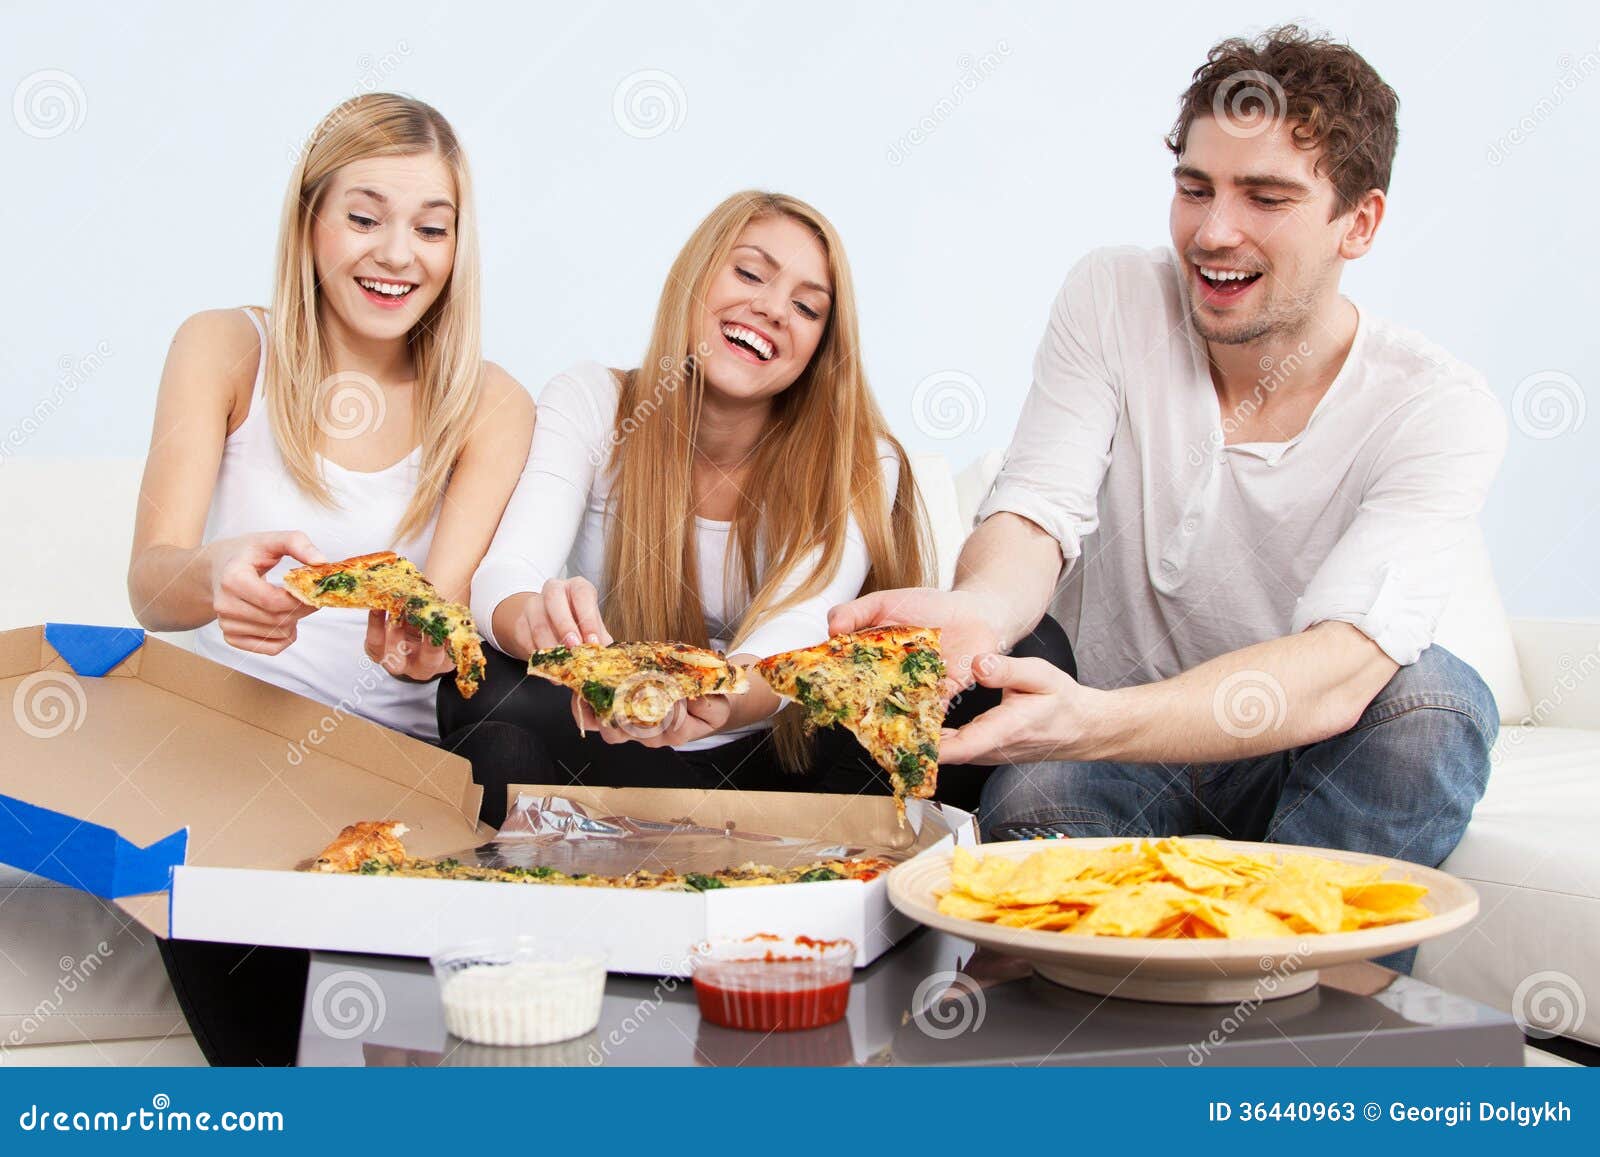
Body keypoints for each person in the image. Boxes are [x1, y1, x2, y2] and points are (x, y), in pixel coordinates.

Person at [832, 26, 1506, 902]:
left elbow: (1344, 664)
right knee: (1033, 805)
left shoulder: (1437, 406)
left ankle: (1298, 1010)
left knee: (1433, 705)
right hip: (1121, 755)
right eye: (1195, 188)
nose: (1213, 232)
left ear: (1360, 222)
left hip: (1274, 746)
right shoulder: (1113, 296)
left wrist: (1093, 720)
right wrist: (980, 609)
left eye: (1266, 197)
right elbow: (1037, 506)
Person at [438, 190, 1074, 822]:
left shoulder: (860, 458)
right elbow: (507, 572)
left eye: (806, 307)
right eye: (749, 273)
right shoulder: (591, 401)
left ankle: (807, 862)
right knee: (486, 690)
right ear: (696, 278)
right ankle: (664, 861)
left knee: (1024, 653)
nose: (771, 309)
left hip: (791, 770)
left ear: (824, 344)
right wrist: (541, 630)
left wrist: (715, 699)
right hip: (625, 757)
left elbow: (796, 632)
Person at [126, 93, 532, 1064]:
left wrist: (423, 636)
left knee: (429, 1030)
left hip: (393, 768)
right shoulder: (226, 346)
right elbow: (150, 581)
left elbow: (441, 610)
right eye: (364, 216)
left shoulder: (492, 403)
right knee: (269, 1026)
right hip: (226, 755)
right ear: (309, 219)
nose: (397, 253)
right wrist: (213, 574)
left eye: (431, 228)